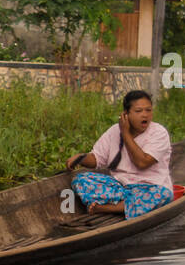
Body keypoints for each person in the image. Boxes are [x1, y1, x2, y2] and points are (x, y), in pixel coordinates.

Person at [65, 90, 172, 219]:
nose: (145, 115)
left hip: (150, 189)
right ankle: (127, 205)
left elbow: (142, 162)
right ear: (125, 114)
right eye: (138, 111)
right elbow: (97, 158)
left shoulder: (159, 133)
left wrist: (125, 133)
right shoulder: (114, 131)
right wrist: (80, 158)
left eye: (148, 110)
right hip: (120, 187)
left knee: (164, 195)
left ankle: (107, 208)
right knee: (80, 180)